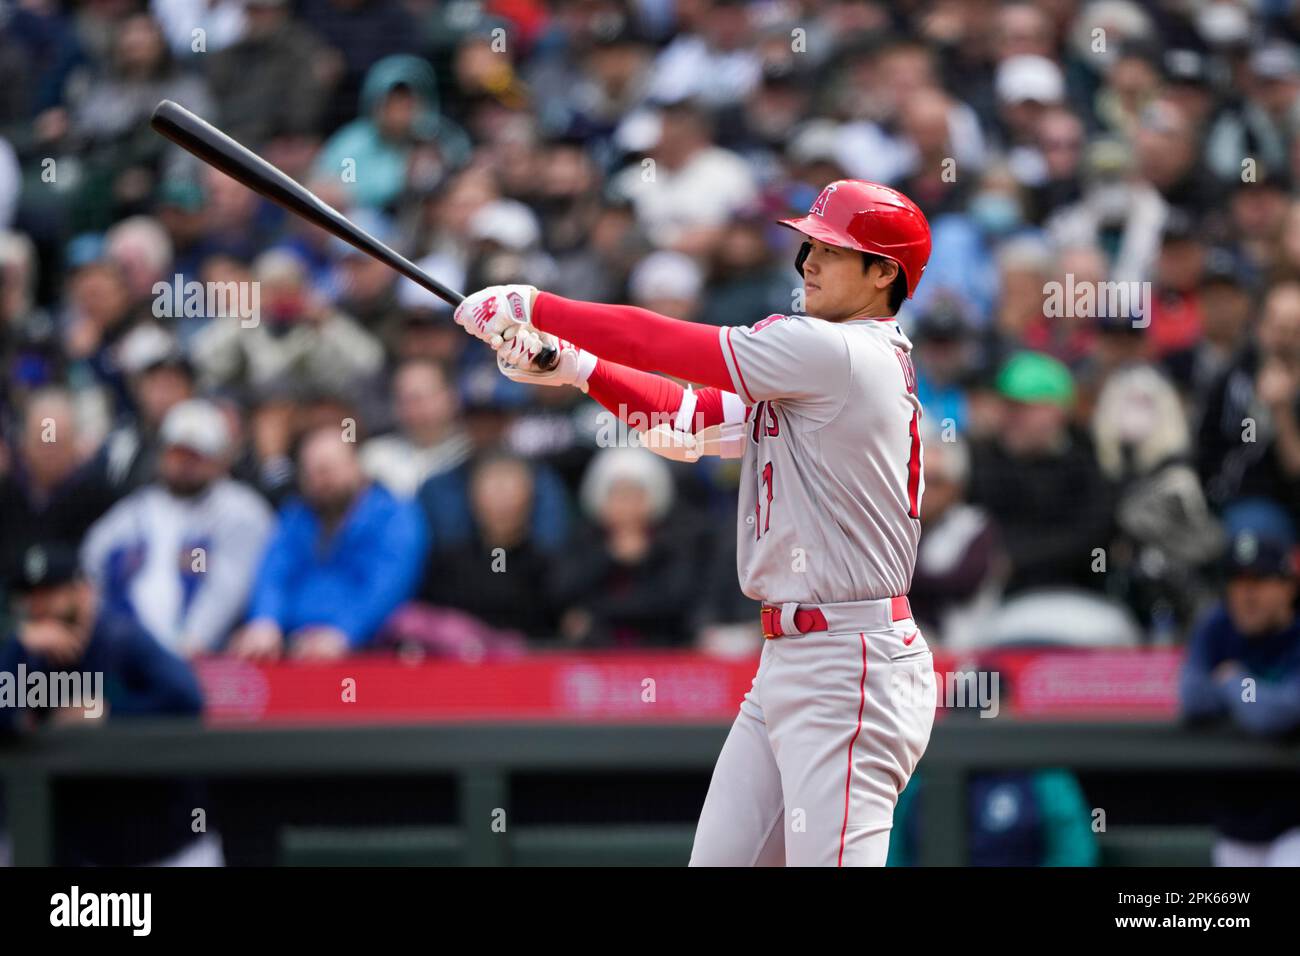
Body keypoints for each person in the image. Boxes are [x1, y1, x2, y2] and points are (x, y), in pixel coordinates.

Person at [453, 179, 939, 867]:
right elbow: (682, 424)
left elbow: (666, 343)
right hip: (795, 658)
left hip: (851, 664)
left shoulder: (842, 352)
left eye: (831, 250)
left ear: (884, 272)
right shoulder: (813, 366)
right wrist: (574, 366)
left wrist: (536, 306)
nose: (808, 263)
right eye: (808, 246)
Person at [0, 543, 218, 865]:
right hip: (80, 852)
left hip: (162, 845)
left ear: (84, 592)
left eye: (51, 593)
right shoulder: (28, 656)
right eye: (31, 596)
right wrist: (17, 650)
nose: (39, 607)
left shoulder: (122, 639)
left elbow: (188, 699)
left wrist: (108, 712)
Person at [80, 399, 274, 656]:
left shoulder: (240, 511)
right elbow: (91, 563)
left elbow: (227, 588)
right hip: (124, 650)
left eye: (196, 455)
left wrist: (190, 643)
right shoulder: (136, 510)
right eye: (177, 452)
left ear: (219, 459)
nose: (185, 464)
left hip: (200, 655)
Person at [228, 425, 426, 660]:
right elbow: (273, 573)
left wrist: (344, 633)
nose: (320, 481)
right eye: (310, 473)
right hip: (291, 646)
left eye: (327, 470)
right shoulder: (295, 515)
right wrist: (265, 620)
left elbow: (387, 586)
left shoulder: (395, 516)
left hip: (369, 649)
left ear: (356, 467)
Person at [1179, 514, 1300, 866]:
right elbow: (1191, 696)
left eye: (1260, 580)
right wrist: (1251, 694)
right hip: (1237, 826)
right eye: (1237, 580)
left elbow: (1277, 714)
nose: (1246, 594)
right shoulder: (1216, 625)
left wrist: (1234, 679)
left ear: (1289, 586)